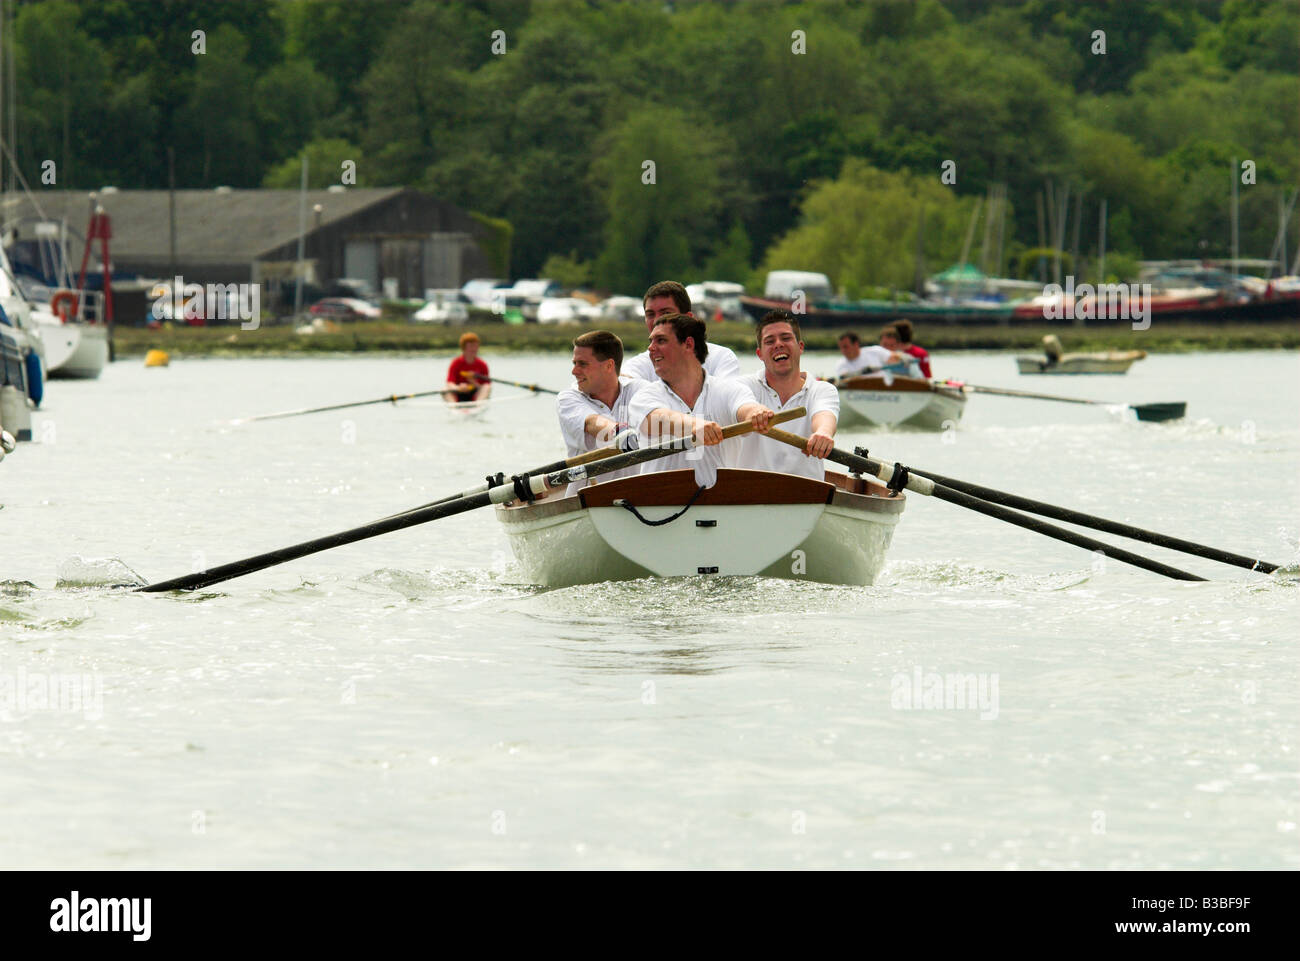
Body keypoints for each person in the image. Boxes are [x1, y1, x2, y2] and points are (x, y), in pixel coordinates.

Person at [626, 312, 774, 485]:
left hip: (721, 505)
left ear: (688, 344)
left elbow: (746, 408)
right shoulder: (644, 396)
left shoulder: (730, 390)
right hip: (661, 506)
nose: (650, 348)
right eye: (651, 341)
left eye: (661, 340)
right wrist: (694, 426)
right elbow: (656, 419)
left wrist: (757, 414)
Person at [735, 311, 838, 481]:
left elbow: (824, 414)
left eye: (786, 338)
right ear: (760, 354)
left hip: (805, 495)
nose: (778, 344)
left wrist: (823, 433)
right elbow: (740, 405)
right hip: (750, 493)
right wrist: (753, 413)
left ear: (801, 346)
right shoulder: (743, 386)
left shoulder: (822, 390)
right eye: (770, 341)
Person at [555, 330, 645, 493]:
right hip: (587, 498)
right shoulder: (568, 398)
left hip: (637, 495)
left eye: (582, 364)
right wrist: (621, 433)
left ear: (609, 366)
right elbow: (592, 422)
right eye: (574, 363)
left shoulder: (640, 390)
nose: (574, 371)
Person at [621, 280, 741, 381]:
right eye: (650, 314)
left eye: (666, 313)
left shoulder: (721, 358)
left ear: (688, 318)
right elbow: (625, 384)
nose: (657, 321)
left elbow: (727, 398)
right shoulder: (637, 366)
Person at [444, 331, 491, 403]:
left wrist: (473, 382)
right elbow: (450, 383)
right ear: (464, 348)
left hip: (475, 393)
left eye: (476, 346)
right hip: (459, 392)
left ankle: (477, 406)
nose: (474, 349)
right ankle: (454, 408)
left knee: (487, 387)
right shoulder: (456, 363)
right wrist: (459, 388)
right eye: (471, 346)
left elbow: (486, 385)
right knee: (444, 390)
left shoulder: (482, 364)